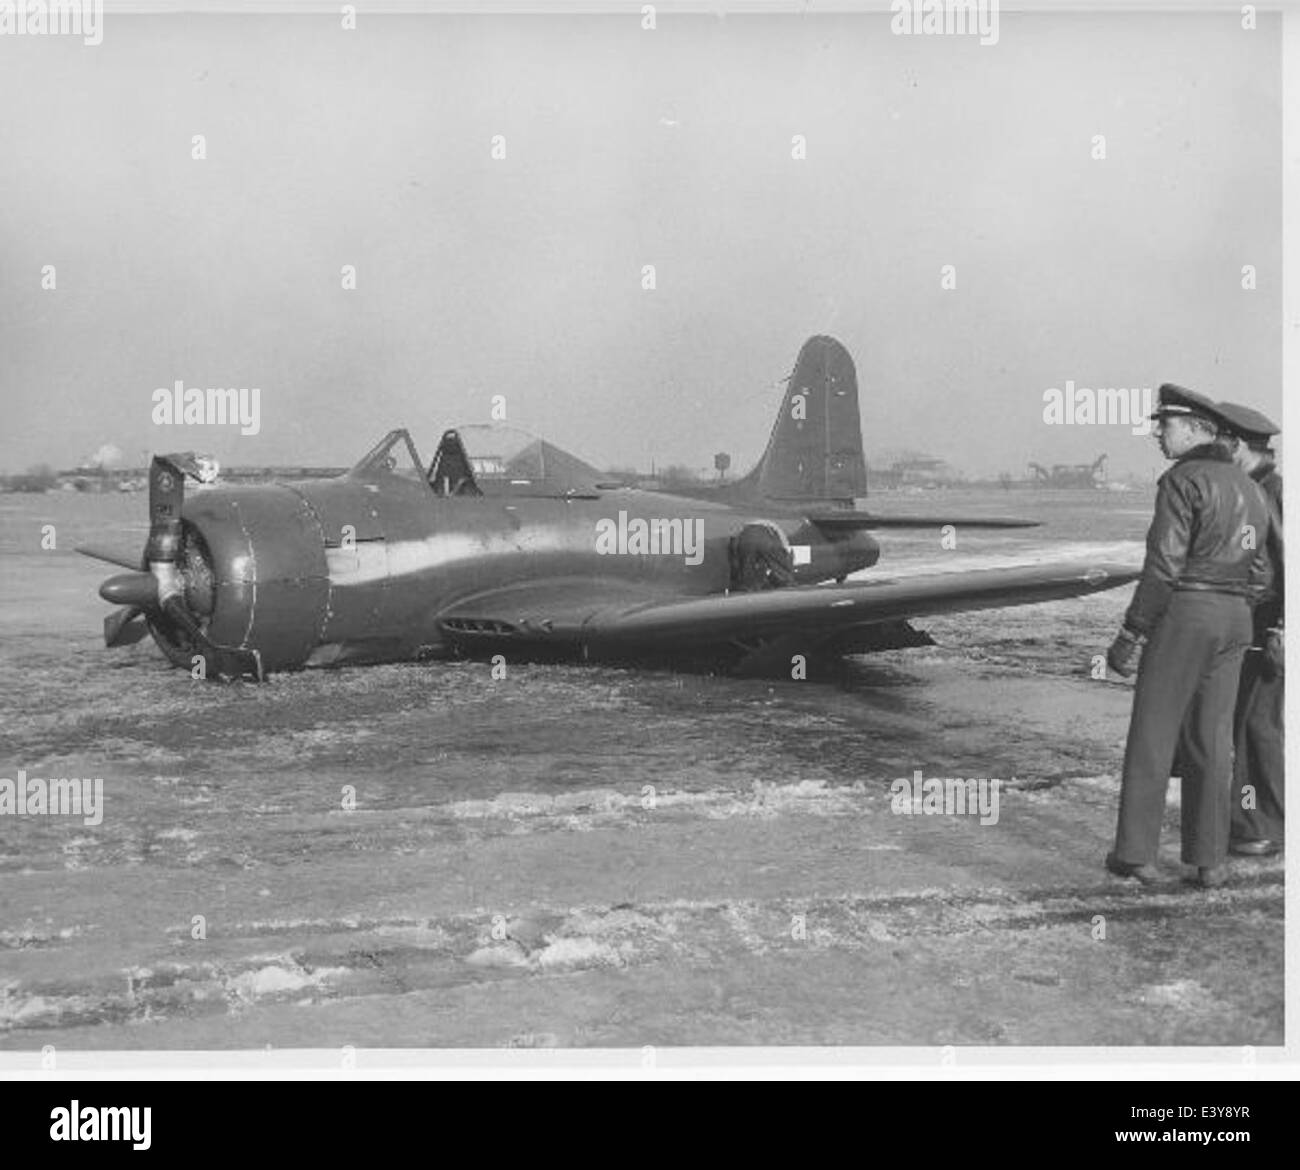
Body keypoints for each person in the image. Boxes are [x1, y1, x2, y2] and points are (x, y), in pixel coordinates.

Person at [1105, 384, 1270, 888]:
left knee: (1154, 734)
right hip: (1235, 618)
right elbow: (1261, 571)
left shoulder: (1182, 480)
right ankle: (1209, 859)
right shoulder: (1251, 487)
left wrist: (1131, 633)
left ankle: (1136, 854)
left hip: (1186, 613)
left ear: (1198, 429)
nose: (1158, 432)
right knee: (1213, 739)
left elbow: (1163, 566)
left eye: (1166, 424)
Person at [1214, 401, 1284, 856]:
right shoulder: (1263, 487)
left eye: (1221, 442)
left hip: (1270, 626)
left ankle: (1265, 826)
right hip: (1261, 624)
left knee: (1260, 725)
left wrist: (1281, 628)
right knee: (1255, 724)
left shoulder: (1269, 493)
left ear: (1237, 444)